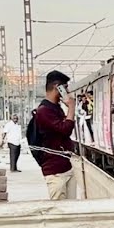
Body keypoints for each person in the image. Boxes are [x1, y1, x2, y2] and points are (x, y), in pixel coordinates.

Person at [33, 70, 81, 200]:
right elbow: (65, 129)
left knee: (70, 209)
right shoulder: (44, 111)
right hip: (55, 171)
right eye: (65, 88)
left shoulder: (55, 108)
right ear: (57, 87)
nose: (67, 91)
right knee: (59, 211)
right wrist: (71, 107)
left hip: (65, 166)